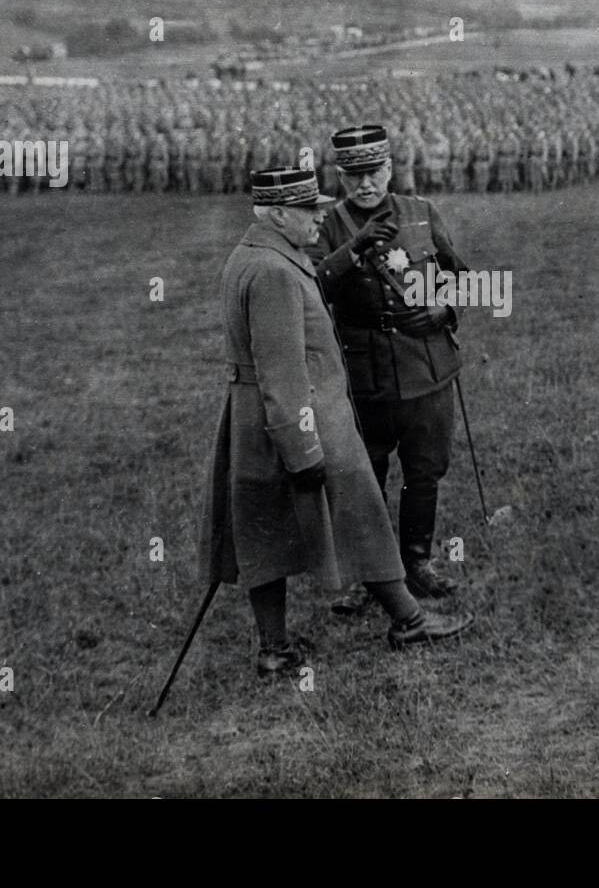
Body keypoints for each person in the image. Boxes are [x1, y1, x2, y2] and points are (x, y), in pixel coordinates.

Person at [198, 166, 473, 677]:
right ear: (279, 214)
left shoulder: (255, 256)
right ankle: (409, 620)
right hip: (304, 418)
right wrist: (303, 453)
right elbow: (281, 373)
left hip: (258, 419)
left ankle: (274, 648)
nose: (321, 215)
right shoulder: (276, 272)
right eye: (309, 209)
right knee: (361, 513)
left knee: (262, 526)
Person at [310, 125, 469, 611]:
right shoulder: (328, 225)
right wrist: (353, 248)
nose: (365, 185)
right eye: (354, 175)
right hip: (366, 374)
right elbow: (313, 288)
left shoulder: (421, 213)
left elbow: (463, 279)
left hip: (426, 367)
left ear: (390, 169)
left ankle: (417, 562)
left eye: (374, 172)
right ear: (339, 176)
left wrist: (445, 310)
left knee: (424, 469)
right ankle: (371, 575)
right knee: (366, 473)